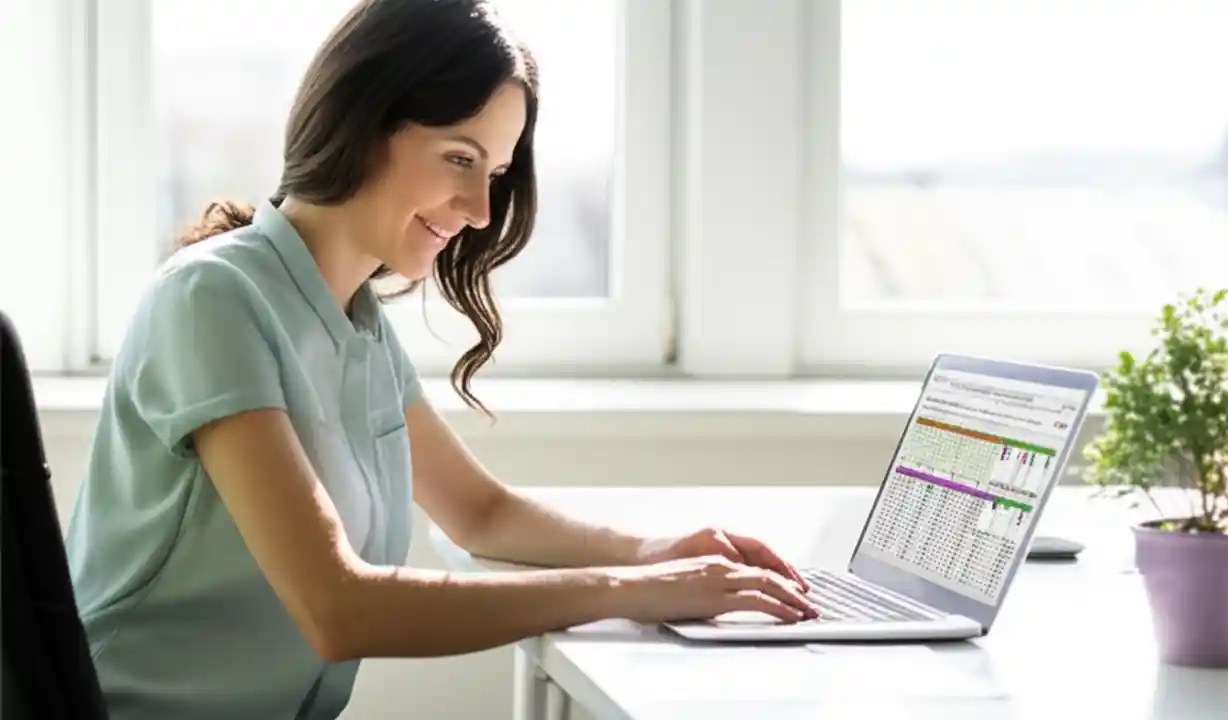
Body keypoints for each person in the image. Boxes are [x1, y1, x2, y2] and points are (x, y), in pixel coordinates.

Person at [65, 1, 817, 718]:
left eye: (492, 172)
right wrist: (635, 589)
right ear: (363, 121)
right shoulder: (212, 300)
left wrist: (661, 553)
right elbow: (340, 608)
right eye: (459, 157)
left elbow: (480, 512)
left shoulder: (356, 324)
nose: (480, 210)